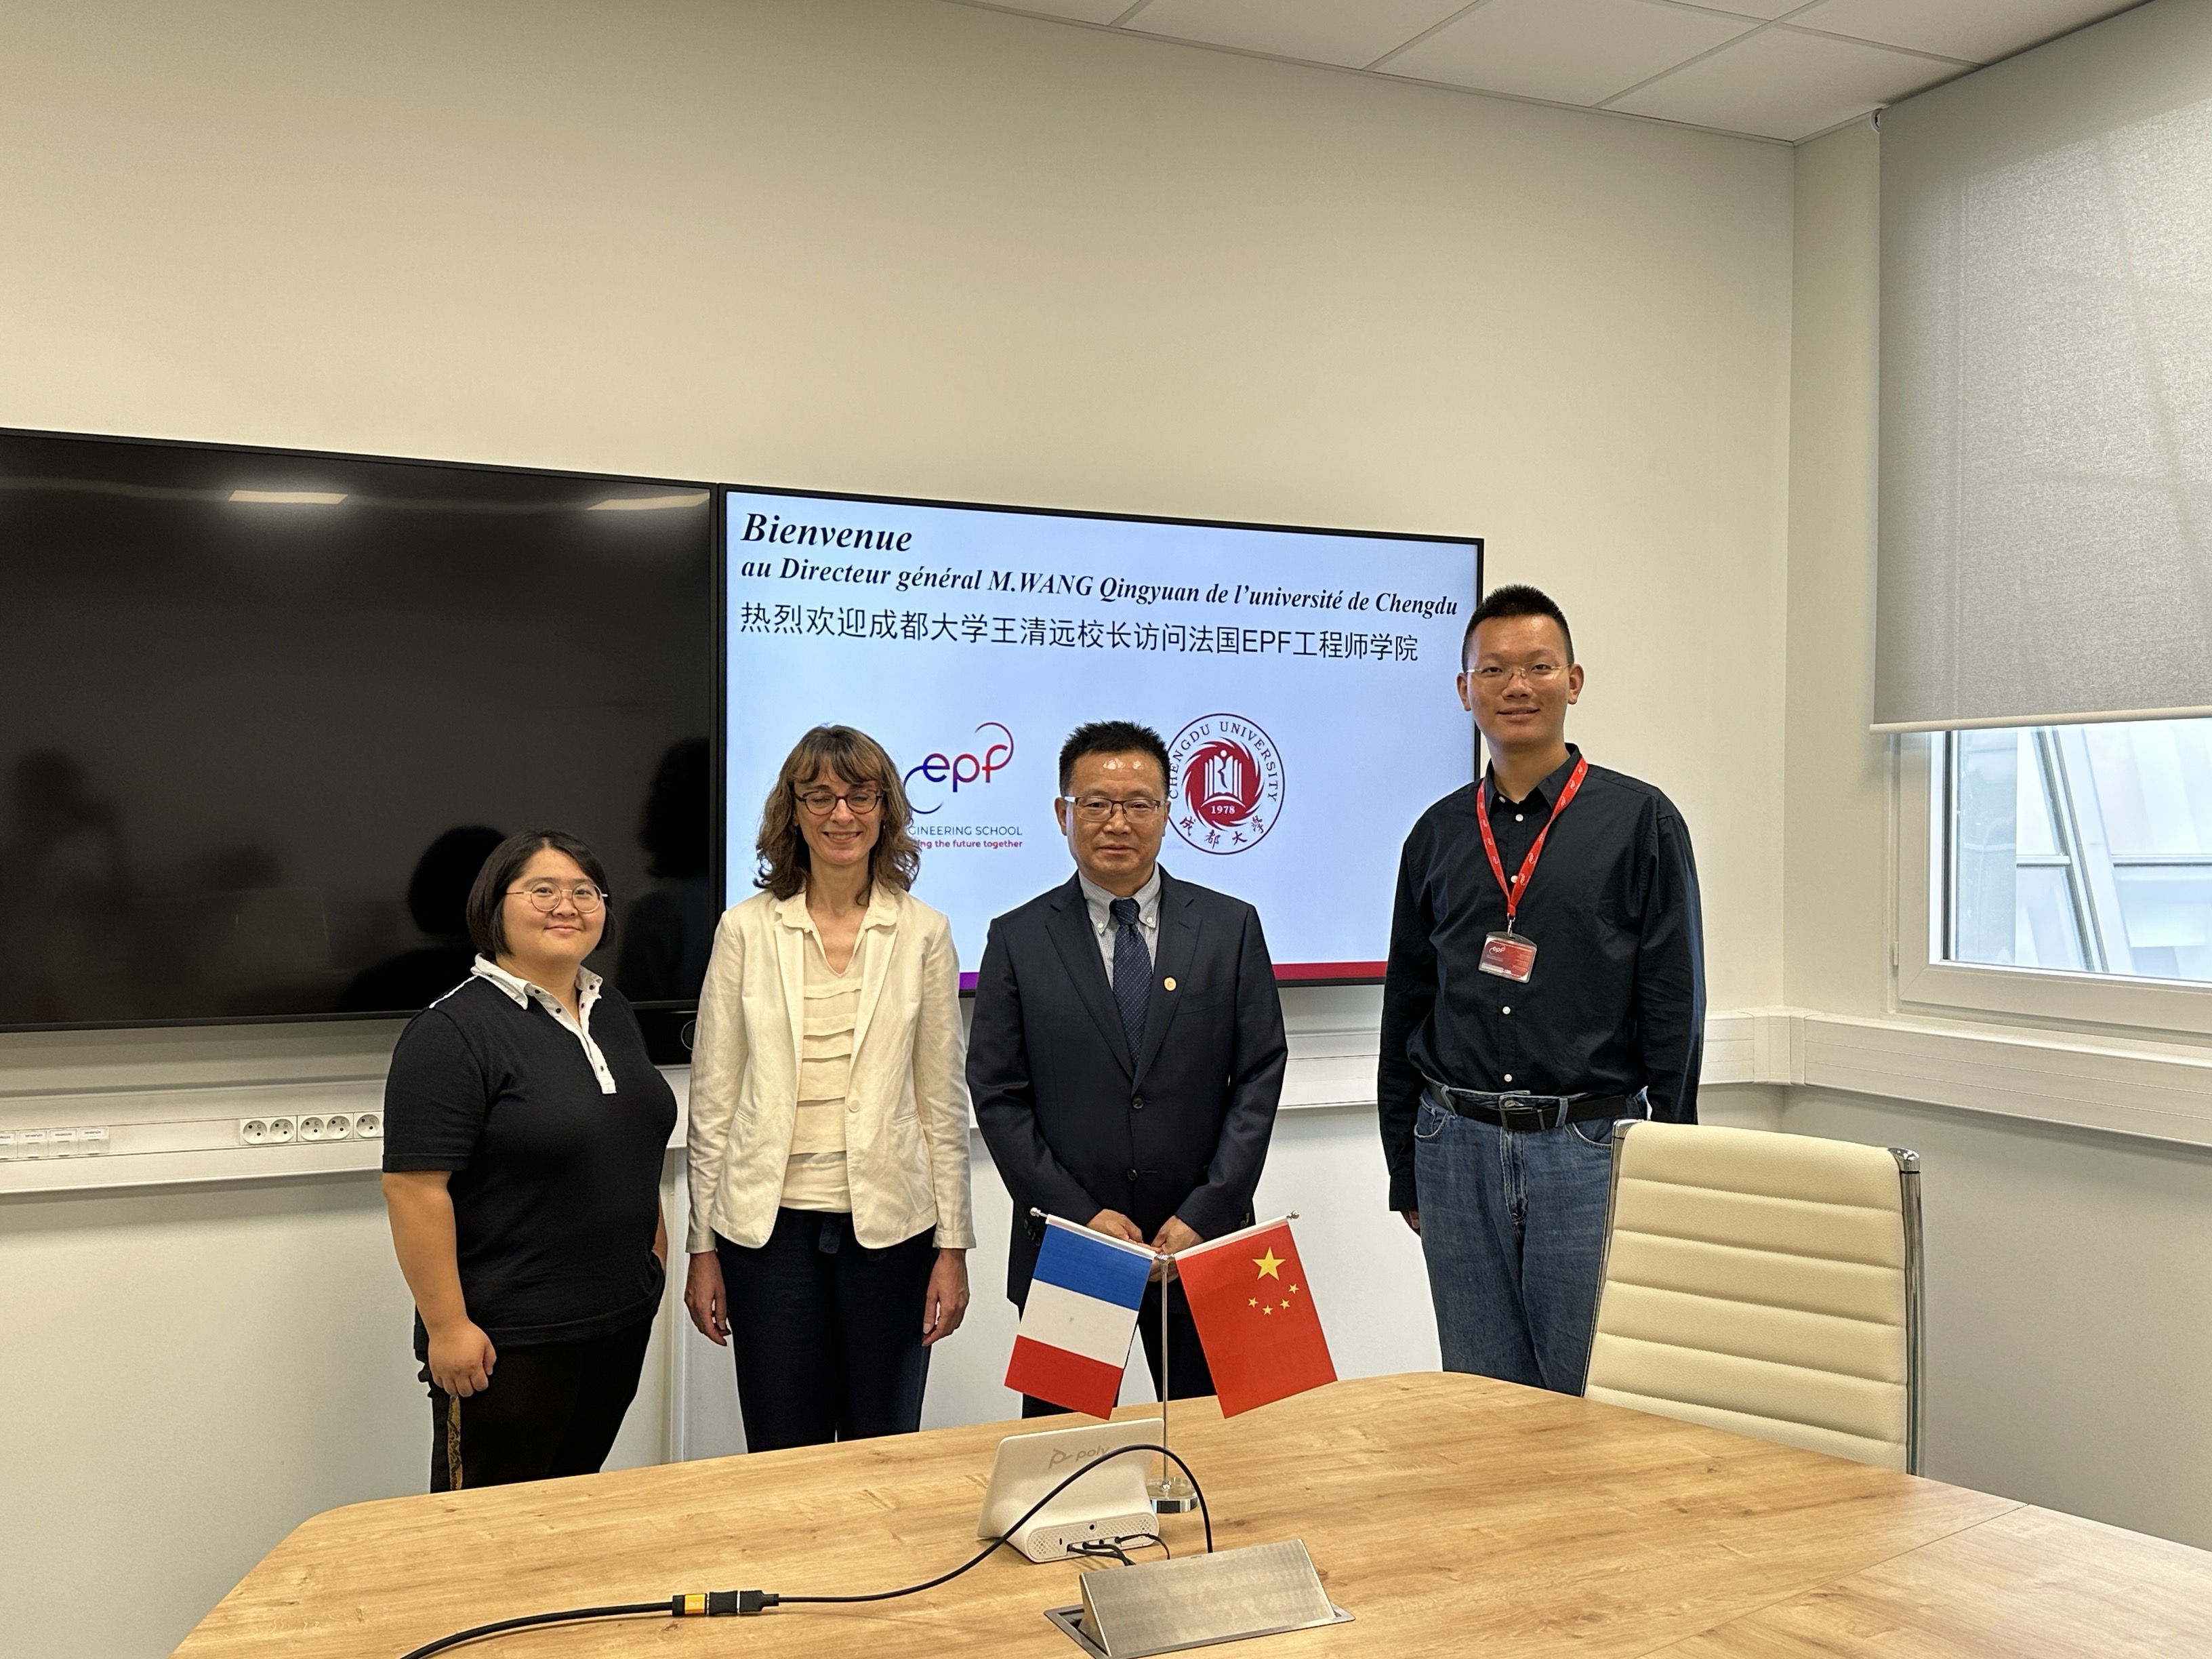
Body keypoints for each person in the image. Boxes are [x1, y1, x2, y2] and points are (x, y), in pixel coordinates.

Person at [1378, 583, 1704, 1394]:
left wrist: (1673, 1161)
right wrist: (1404, 1165)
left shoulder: (1640, 822)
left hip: (1587, 1148)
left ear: (1574, 681)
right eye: (1493, 670)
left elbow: (1674, 1002)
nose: (1516, 686)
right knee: (1480, 1395)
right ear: (1465, 690)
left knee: (1589, 1395)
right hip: (1454, 1145)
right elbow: (1408, 1001)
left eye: (1538, 667)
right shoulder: (1436, 834)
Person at [970, 720, 1288, 1415]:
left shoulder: (1230, 927)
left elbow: (1259, 1074)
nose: (1118, 822)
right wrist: (1080, 1215)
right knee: (1068, 1453)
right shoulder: (1018, 938)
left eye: (1139, 803)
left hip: (1204, 1242)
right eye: (1096, 803)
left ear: (1168, 812)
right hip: (1074, 1247)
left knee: (1228, 1450)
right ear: (1063, 813)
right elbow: (997, 1093)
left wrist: (1207, 1209)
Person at [682, 725, 974, 1451]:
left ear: (885, 809)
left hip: (894, 1231)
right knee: (785, 1448)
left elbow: (941, 1102)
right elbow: (714, 1099)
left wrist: (953, 1247)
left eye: (860, 796)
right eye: (819, 796)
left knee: (885, 1442)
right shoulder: (745, 930)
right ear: (793, 811)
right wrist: (701, 1246)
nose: (841, 814)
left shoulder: (924, 932)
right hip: (766, 1233)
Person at [380, 829, 676, 1490]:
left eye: (584, 892)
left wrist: (653, 1262)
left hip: (616, 1324)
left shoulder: (611, 1009)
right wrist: (448, 1328)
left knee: (568, 1508)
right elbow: (413, 1189)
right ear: (495, 907)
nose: (566, 906)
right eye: (542, 890)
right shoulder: (451, 1032)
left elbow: (630, 1141)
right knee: (482, 1530)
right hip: (507, 1343)